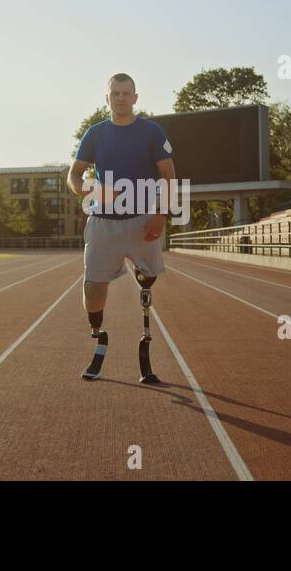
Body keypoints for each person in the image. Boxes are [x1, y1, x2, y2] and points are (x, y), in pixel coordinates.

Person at [66, 73, 176, 383]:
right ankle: (98, 333)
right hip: (104, 223)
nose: (121, 98)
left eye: (126, 93)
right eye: (115, 93)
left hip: (144, 219)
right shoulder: (95, 134)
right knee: (94, 290)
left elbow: (169, 175)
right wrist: (87, 189)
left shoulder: (152, 132)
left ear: (136, 98)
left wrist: (161, 213)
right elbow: (73, 175)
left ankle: (143, 272)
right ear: (107, 98)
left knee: (151, 275)